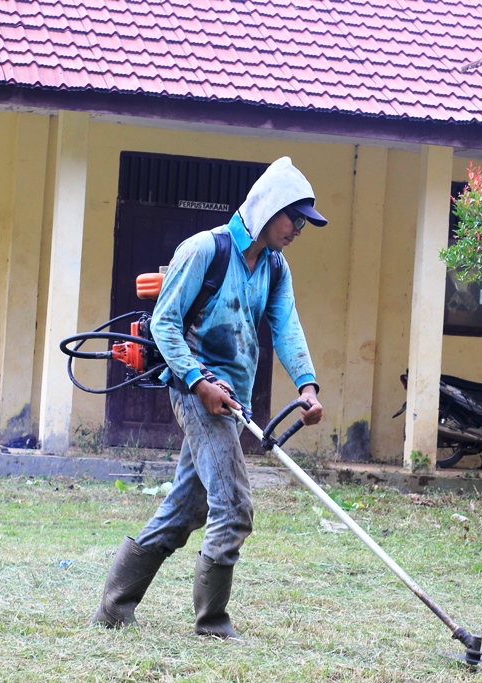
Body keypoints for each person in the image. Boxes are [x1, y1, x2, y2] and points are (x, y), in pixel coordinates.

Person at [91, 156, 326, 640]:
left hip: (233, 400)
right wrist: (199, 382)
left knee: (187, 508)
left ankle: (114, 608)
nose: (299, 229)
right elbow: (164, 323)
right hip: (197, 392)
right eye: (294, 217)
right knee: (234, 506)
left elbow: (286, 327)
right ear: (268, 209)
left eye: (305, 221)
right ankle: (213, 623)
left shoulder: (275, 267)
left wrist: (307, 386)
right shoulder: (205, 250)